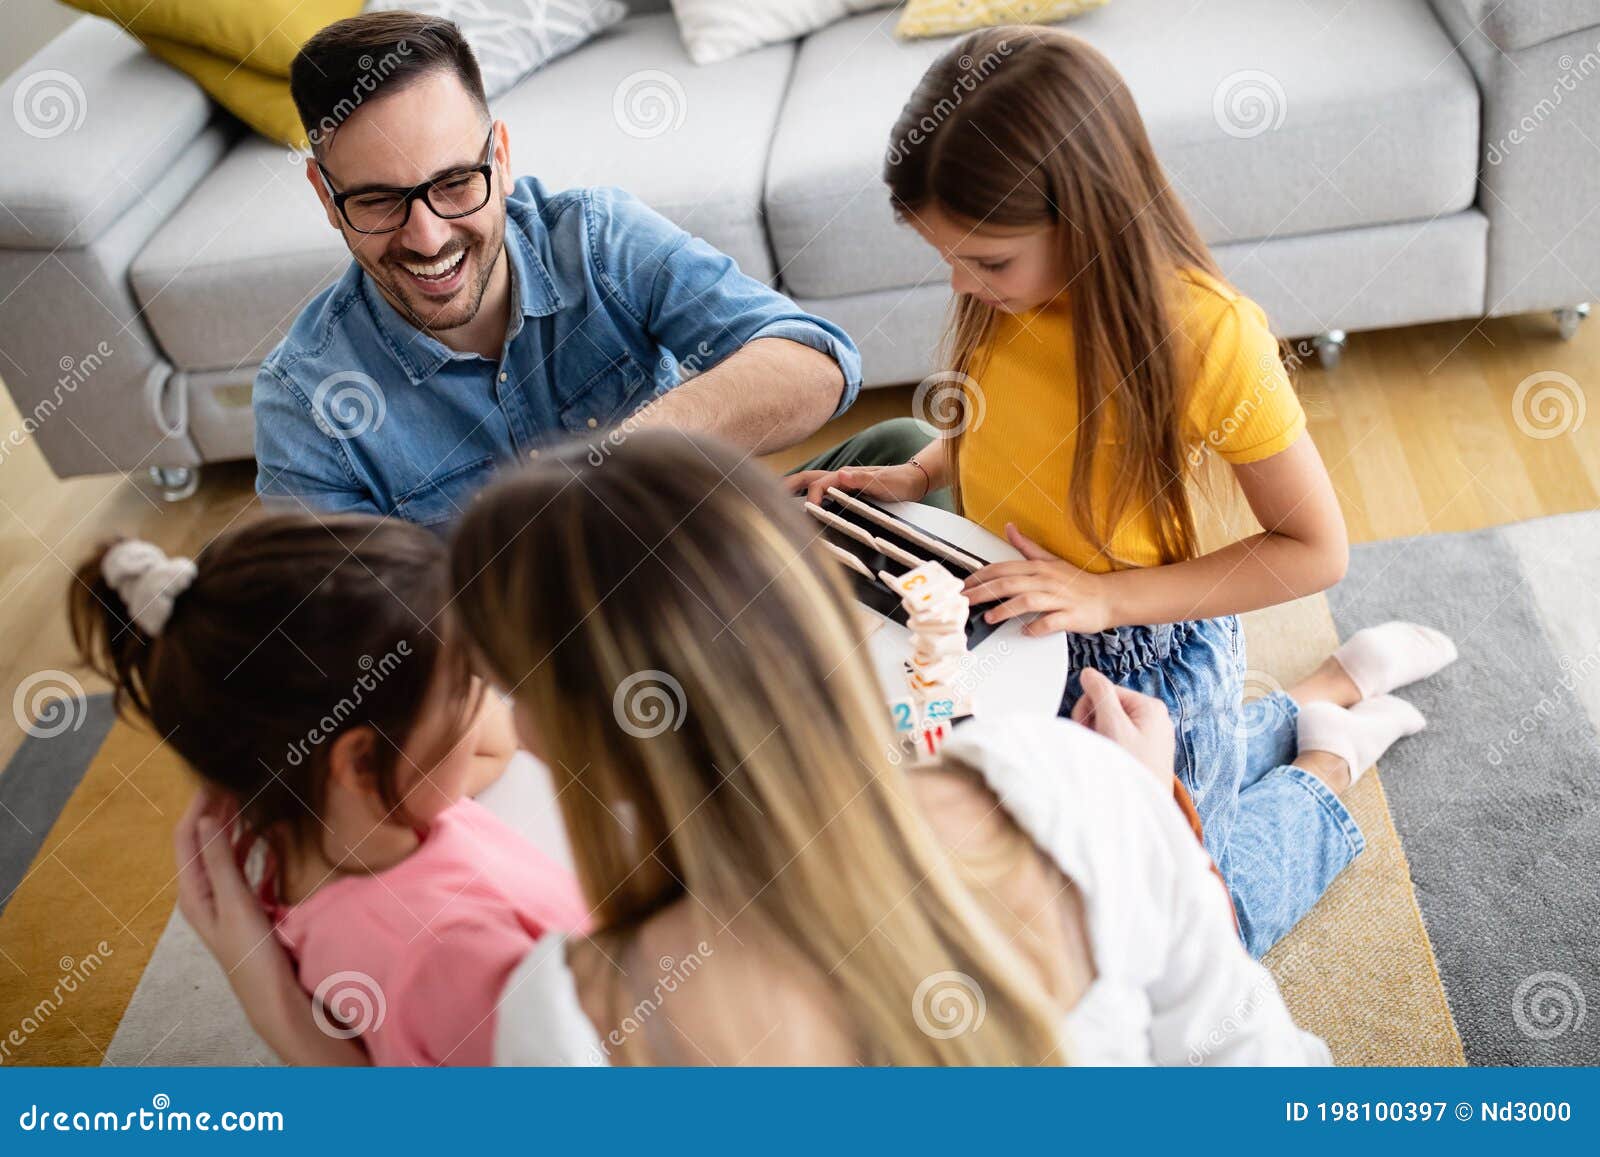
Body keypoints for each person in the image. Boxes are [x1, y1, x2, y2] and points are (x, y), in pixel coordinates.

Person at [789, 28, 1459, 955]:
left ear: (1090, 216)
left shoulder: (1208, 337)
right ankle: (1318, 692)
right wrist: (922, 471)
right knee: (1038, 885)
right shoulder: (1009, 296)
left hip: (1140, 659)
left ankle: (1333, 751)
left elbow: (1316, 549)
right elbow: (1005, 417)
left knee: (1186, 928)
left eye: (987, 261)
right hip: (1014, 626)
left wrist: (1106, 594)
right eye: (948, 258)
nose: (962, 285)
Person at [255, 12, 923, 525]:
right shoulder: (304, 403)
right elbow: (347, 640)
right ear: (325, 196)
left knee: (904, 442)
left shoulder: (593, 237)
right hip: (532, 673)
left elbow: (819, 362)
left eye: (457, 183)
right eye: (377, 200)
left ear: (502, 157)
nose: (428, 237)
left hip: (710, 564)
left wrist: (611, 464)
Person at [67, 514, 587, 1065]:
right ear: (361, 762)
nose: (488, 694)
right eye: (463, 687)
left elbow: (489, 744)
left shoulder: (289, 831)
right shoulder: (459, 962)